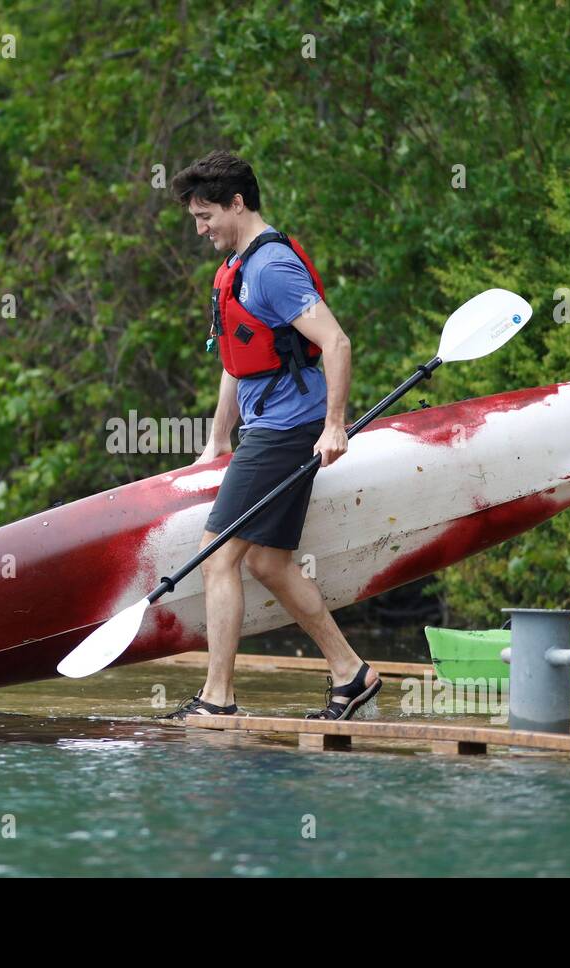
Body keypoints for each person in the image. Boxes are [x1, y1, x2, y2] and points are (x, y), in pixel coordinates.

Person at [159, 149, 381, 722]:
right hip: (265, 429)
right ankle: (350, 672)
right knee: (268, 563)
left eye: (206, 216)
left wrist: (335, 425)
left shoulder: (271, 268)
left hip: (288, 431)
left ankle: (218, 699)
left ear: (238, 203)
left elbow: (337, 343)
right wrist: (217, 441)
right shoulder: (235, 269)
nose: (201, 229)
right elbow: (238, 360)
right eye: (195, 219)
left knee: (217, 558)